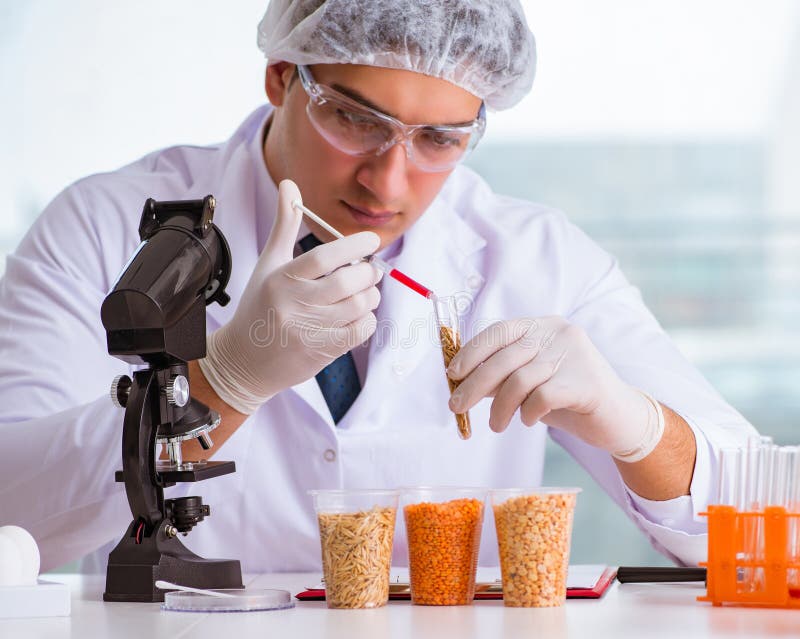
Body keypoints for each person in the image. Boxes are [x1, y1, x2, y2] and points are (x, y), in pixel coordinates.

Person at [0, 0, 755, 574]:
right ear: (280, 77)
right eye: (356, 120)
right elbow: (12, 512)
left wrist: (632, 422)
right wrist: (222, 383)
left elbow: (757, 521)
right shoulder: (101, 229)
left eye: (439, 139)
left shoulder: (539, 261)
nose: (388, 180)